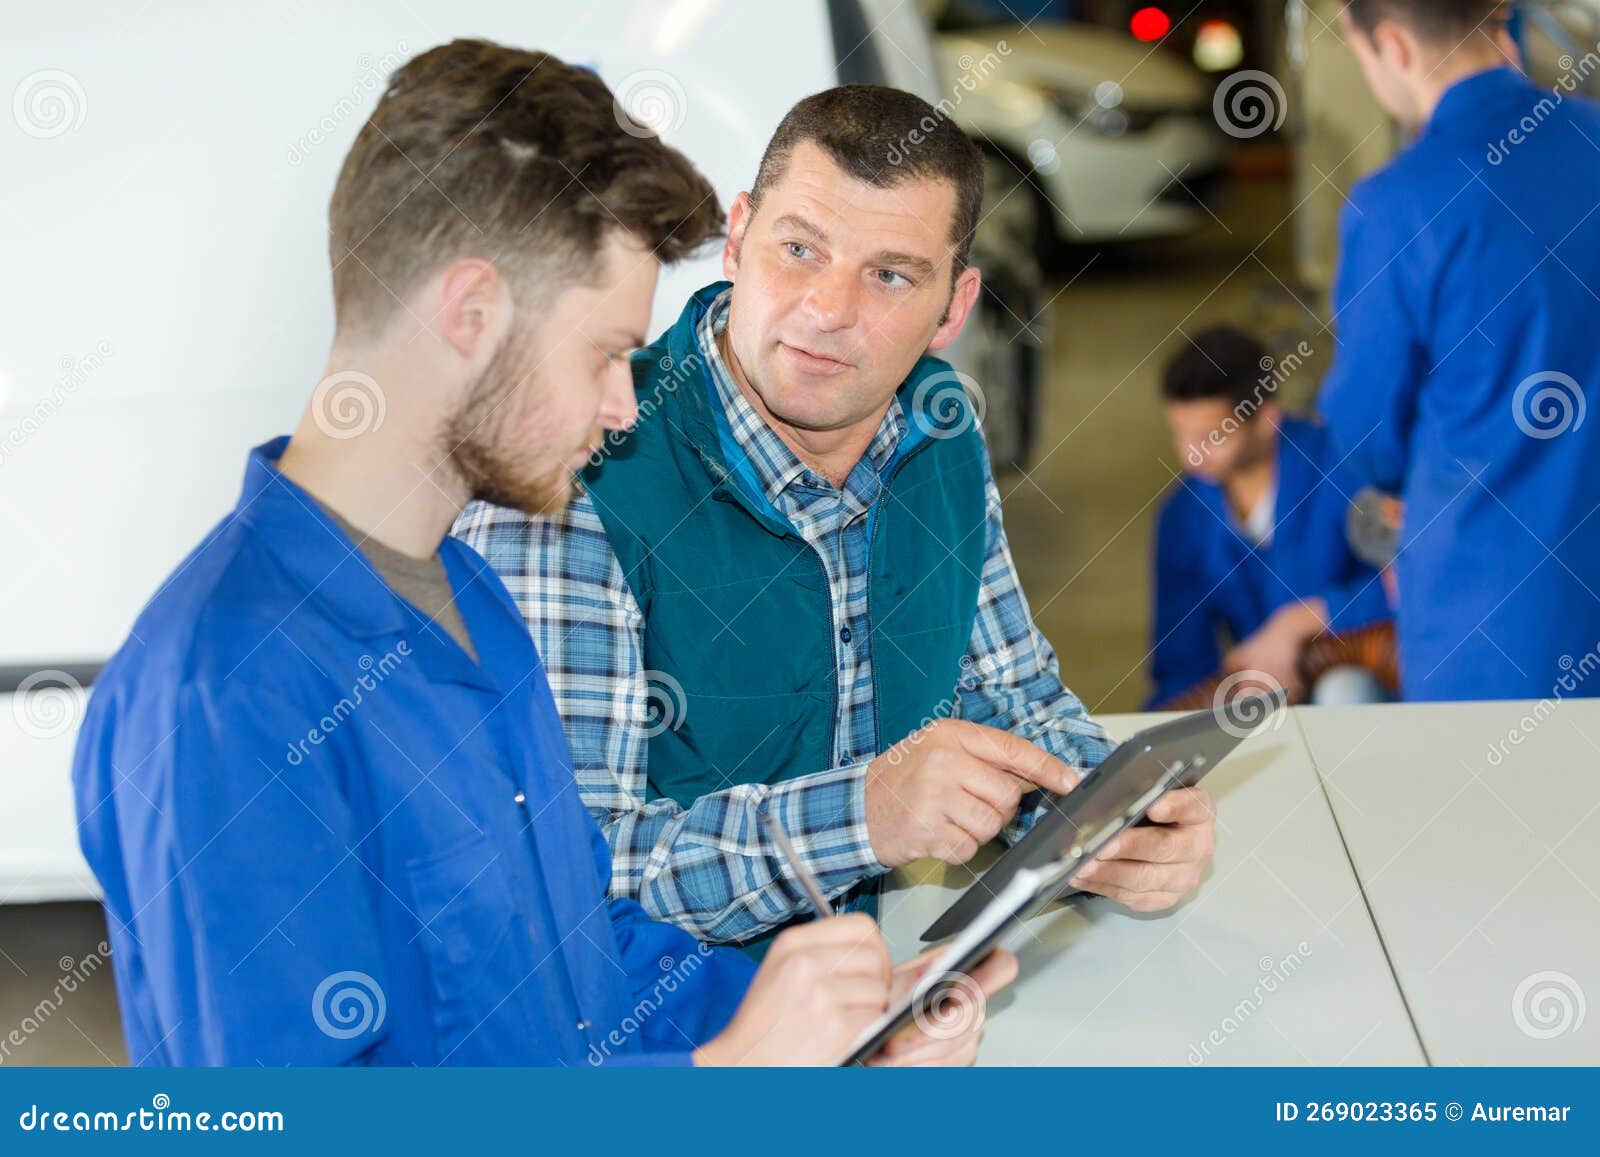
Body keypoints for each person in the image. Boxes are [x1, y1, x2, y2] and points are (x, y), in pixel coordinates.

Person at [71, 41, 1013, 1067]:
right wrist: (730, 1075)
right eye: (605, 353)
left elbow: (582, 966)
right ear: (472, 316)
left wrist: (842, 1027)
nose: (623, 408)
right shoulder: (226, 690)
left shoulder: (470, 600)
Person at [455, 85, 1217, 954]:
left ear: (953, 308)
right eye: (799, 250)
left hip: (892, 968)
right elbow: (568, 872)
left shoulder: (939, 430)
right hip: (672, 1024)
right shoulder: (578, 472)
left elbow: (1009, 696)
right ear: (737, 238)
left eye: (890, 275)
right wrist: (865, 815)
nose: (827, 310)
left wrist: (1106, 815)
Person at [1320, 0, 1600, 700]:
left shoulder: (1398, 205)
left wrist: (1392, 485)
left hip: (1495, 610)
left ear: (1392, 46)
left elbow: (1367, 429)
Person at [1149, 326, 1392, 707]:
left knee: (1344, 692)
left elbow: (1416, 579)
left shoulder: (1345, 467)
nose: (1190, 455)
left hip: (1371, 673)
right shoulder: (1182, 517)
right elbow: (1181, 660)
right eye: (1180, 435)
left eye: (1211, 437)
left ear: (1266, 418)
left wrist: (1304, 619)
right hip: (1268, 693)